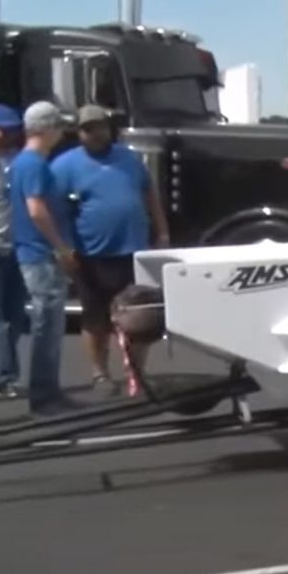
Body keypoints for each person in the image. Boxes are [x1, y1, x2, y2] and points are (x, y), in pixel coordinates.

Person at [52, 105, 168, 394]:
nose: (95, 134)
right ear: (78, 132)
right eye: (88, 129)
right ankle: (100, 374)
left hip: (133, 250)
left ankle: (136, 373)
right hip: (90, 254)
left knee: (139, 316)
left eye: (100, 127)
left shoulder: (128, 158)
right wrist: (63, 249)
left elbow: (149, 194)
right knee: (96, 318)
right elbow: (54, 210)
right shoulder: (64, 166)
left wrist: (162, 231)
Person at [9, 102, 79, 415]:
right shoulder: (35, 165)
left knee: (45, 322)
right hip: (40, 253)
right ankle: (45, 395)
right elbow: (37, 210)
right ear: (48, 128)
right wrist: (61, 247)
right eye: (59, 126)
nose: (62, 133)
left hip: (30, 250)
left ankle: (46, 392)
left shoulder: (21, 163)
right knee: (47, 324)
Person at [0, 105, 25, 399]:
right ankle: (3, 378)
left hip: (16, 247)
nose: (10, 133)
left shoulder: (17, 161)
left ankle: (5, 373)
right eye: (4, 128)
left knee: (16, 315)